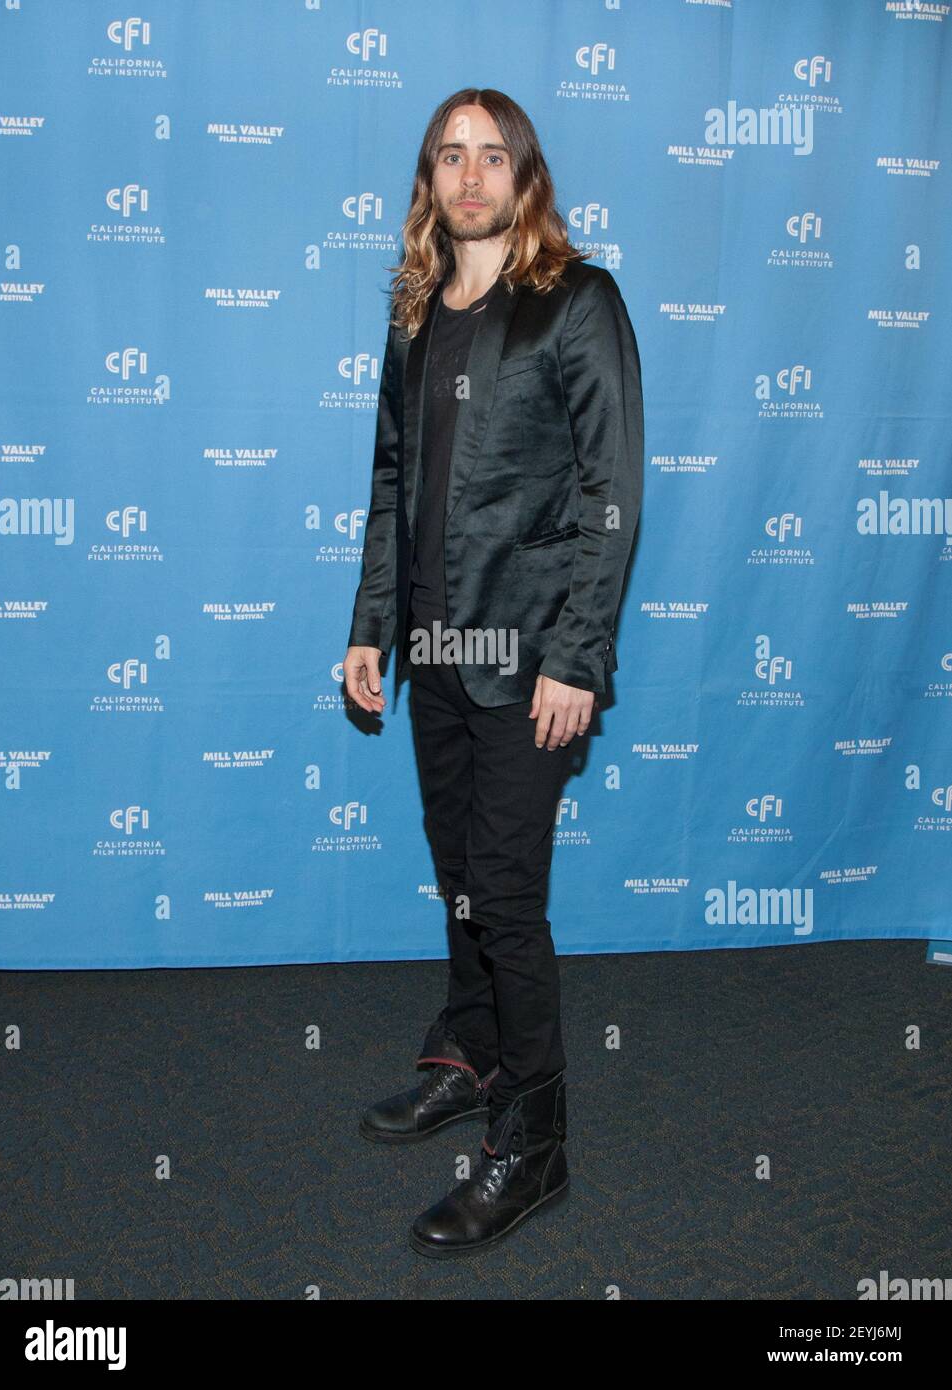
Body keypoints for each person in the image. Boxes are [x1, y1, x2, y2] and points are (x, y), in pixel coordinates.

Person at [343, 87, 643, 1258]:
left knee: (507, 903)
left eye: (491, 154)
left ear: (524, 175)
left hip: (528, 663)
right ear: (429, 181)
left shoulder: (575, 302)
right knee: (461, 871)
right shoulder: (416, 315)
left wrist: (576, 656)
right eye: (449, 156)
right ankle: (466, 1054)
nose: (470, 174)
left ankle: (534, 1145)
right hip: (434, 651)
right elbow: (389, 481)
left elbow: (609, 494)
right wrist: (374, 624)